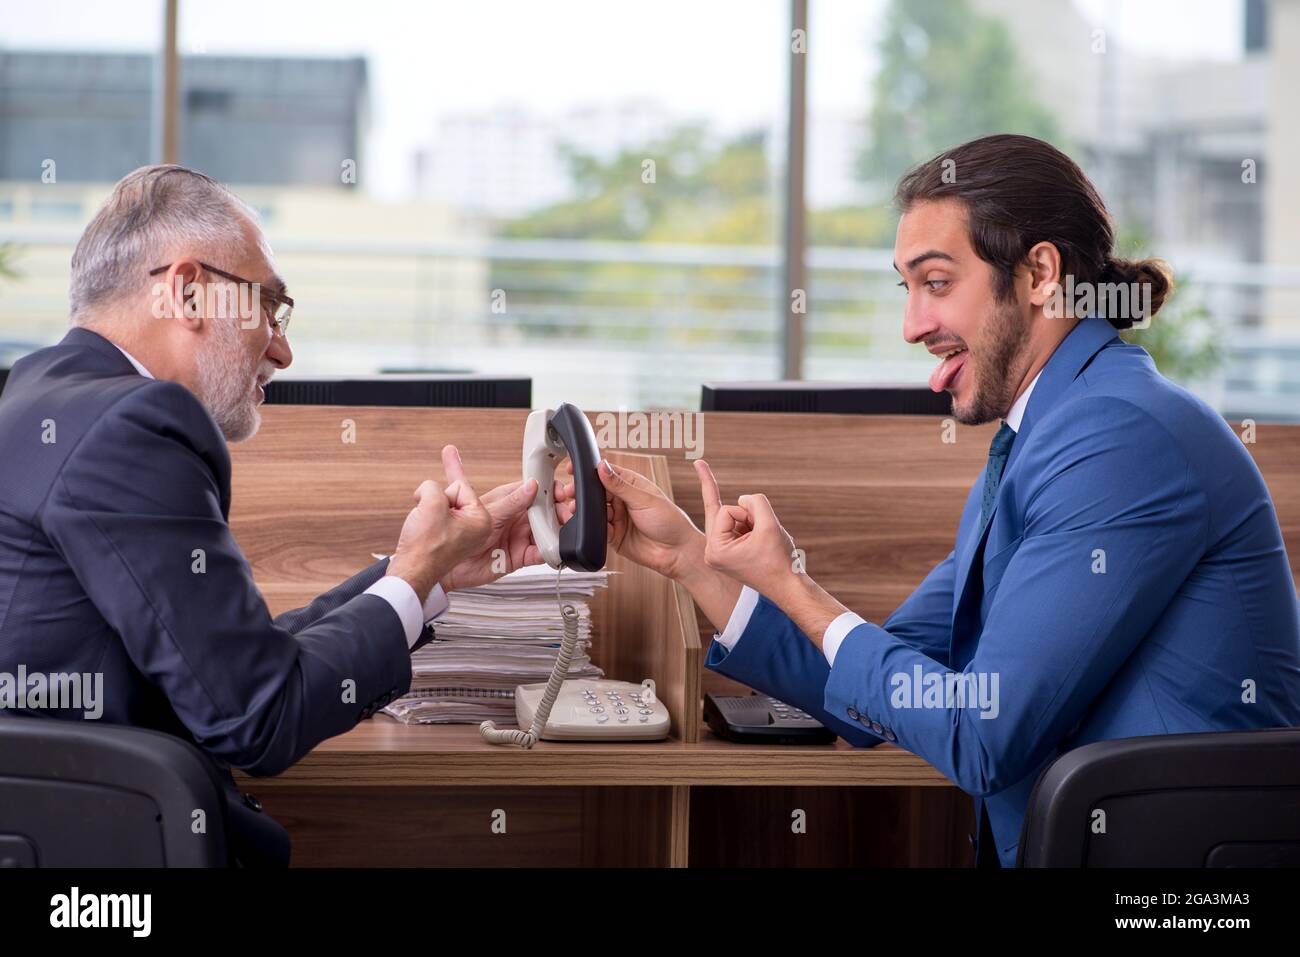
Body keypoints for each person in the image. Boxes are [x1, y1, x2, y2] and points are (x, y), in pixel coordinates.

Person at [565, 134, 1300, 867]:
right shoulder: (1042, 436)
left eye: (938, 282)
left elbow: (979, 733)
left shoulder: (1117, 437)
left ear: (1042, 272)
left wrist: (793, 582)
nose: (913, 325)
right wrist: (695, 560)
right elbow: (869, 680)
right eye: (906, 288)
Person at [0, 165, 543, 866]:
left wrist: (421, 573)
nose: (282, 348)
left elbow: (223, 666)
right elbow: (257, 715)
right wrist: (411, 578)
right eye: (269, 306)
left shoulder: (34, 394)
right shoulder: (133, 423)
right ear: (187, 290)